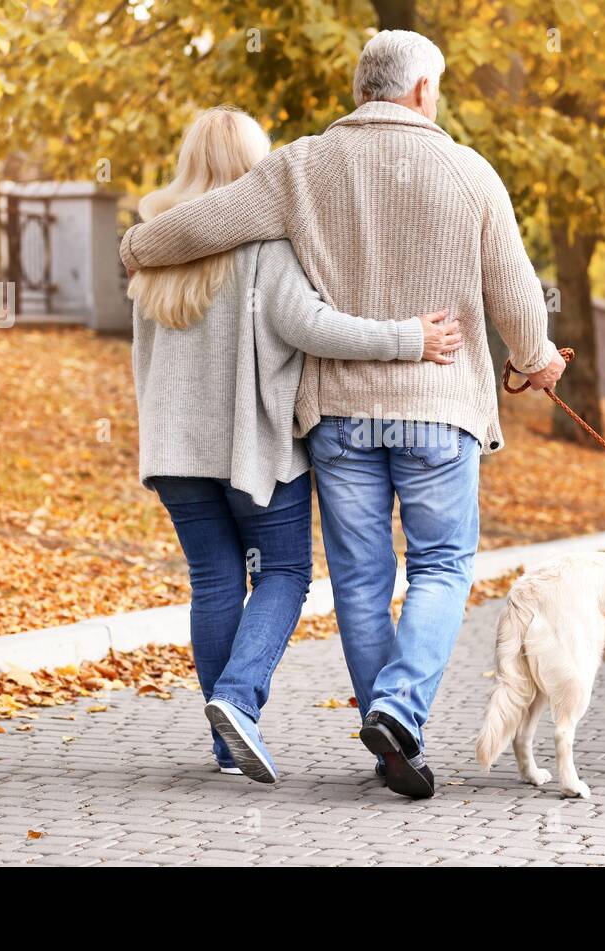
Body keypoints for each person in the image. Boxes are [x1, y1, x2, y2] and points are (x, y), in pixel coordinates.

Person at [121, 32, 565, 799]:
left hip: (340, 418)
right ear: (423, 90)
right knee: (442, 565)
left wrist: (137, 245)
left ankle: (389, 734)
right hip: (437, 409)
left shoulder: (300, 166)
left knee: (361, 580)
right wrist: (539, 360)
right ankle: (397, 712)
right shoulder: (469, 173)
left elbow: (200, 225)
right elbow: (518, 299)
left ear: (363, 89)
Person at [129, 105, 461, 784]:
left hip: (175, 453)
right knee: (282, 574)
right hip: (254, 453)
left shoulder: (155, 251)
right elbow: (312, 327)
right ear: (257, 166)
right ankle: (237, 699)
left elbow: (142, 363)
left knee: (215, 579)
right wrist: (410, 340)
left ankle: (227, 746)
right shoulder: (266, 247)